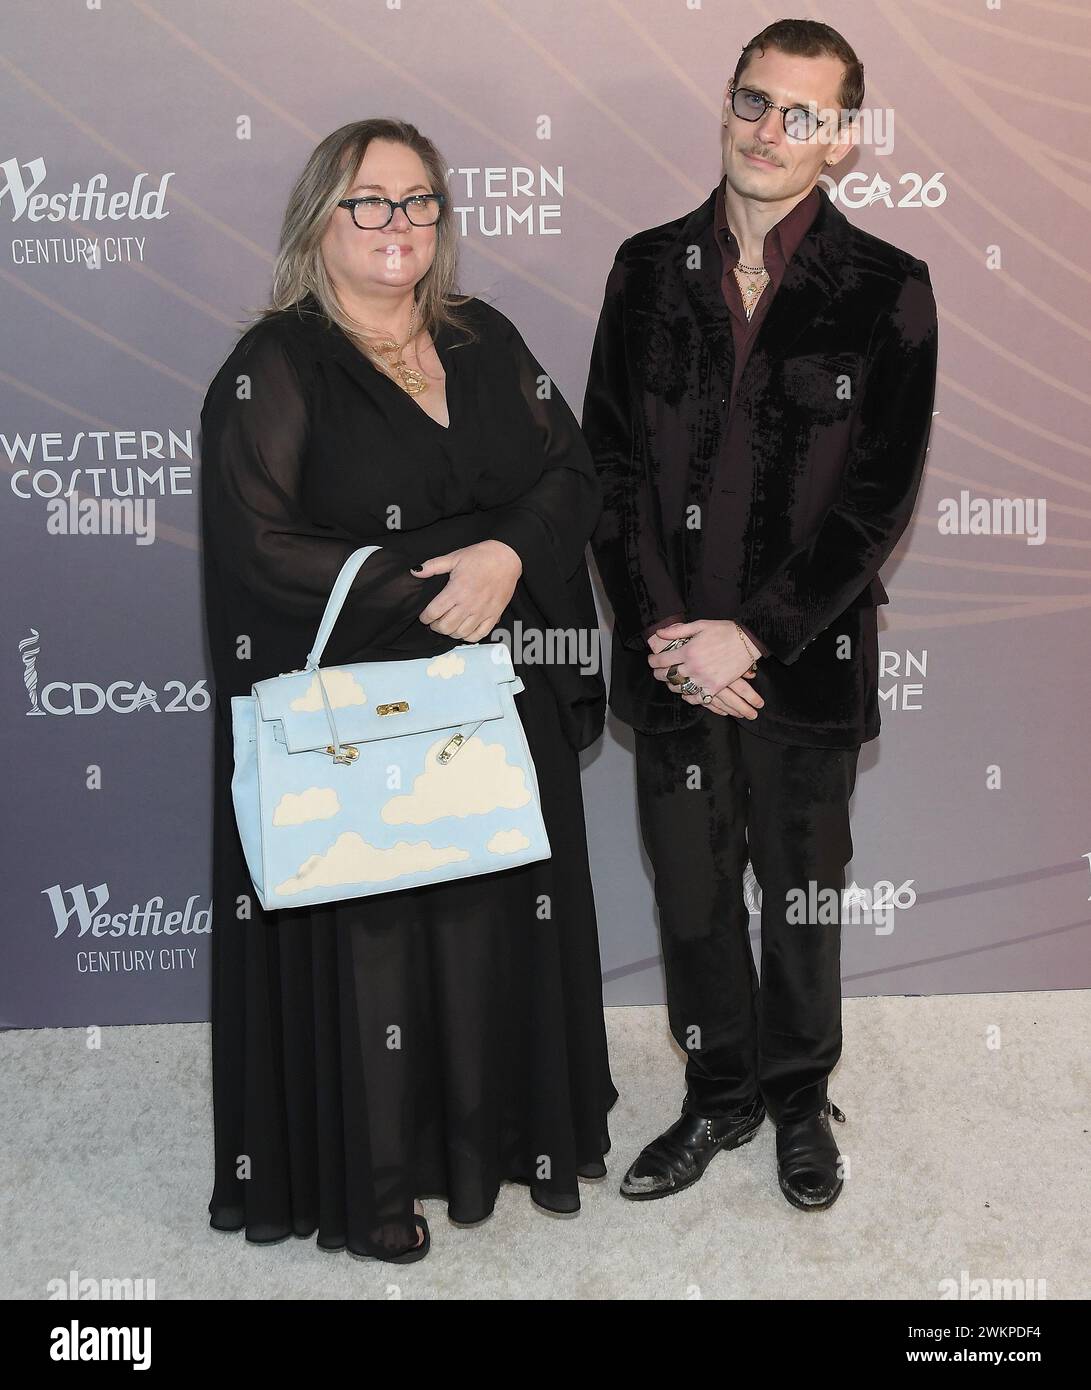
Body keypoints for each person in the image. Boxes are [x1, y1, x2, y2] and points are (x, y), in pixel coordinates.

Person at [199, 118, 617, 1262]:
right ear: (318, 225)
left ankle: (507, 1143)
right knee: (377, 934)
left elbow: (569, 471)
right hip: (362, 707)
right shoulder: (274, 365)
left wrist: (506, 562)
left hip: (499, 682)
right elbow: (258, 544)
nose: (399, 224)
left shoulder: (488, 339)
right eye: (369, 202)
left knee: (493, 918)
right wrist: (420, 590)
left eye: (419, 201)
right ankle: (373, 1178)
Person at [583, 19, 937, 1210]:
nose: (767, 131)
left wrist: (757, 633)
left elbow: (873, 502)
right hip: (670, 654)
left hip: (803, 660)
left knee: (797, 895)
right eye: (752, 101)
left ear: (839, 139)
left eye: (800, 114)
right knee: (690, 895)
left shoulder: (888, 289)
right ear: (724, 104)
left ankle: (796, 1100)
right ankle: (716, 1095)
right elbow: (612, 470)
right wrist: (675, 638)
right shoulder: (642, 270)